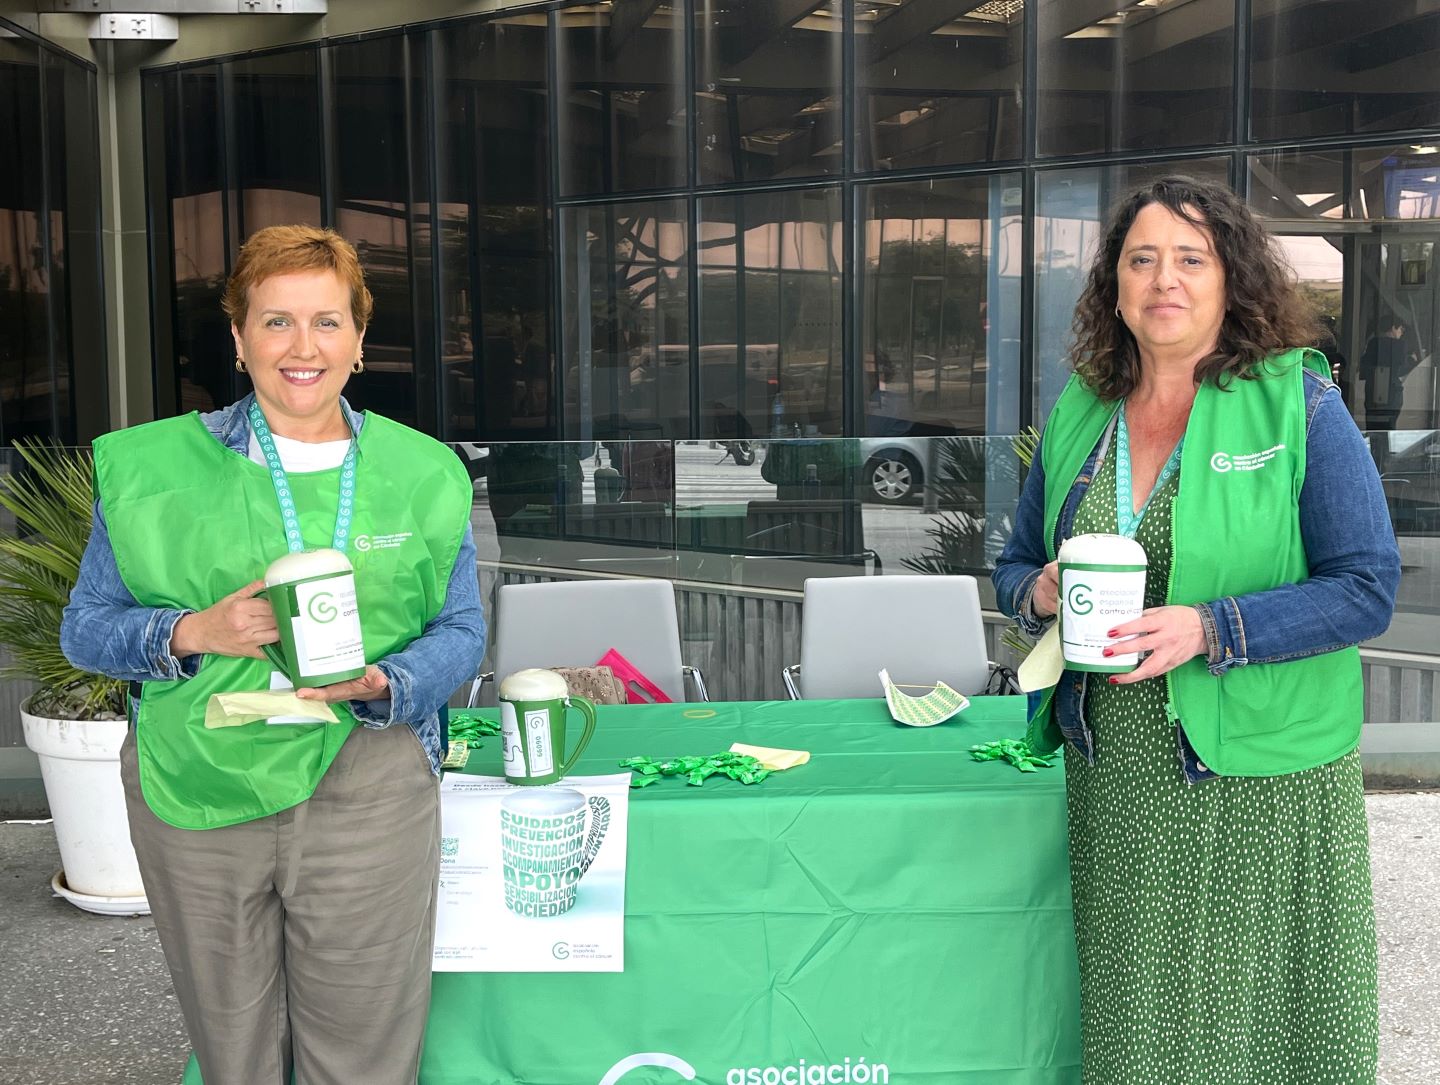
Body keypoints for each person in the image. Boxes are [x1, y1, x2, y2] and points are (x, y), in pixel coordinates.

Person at [993, 177, 1399, 1084]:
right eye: (1142, 259)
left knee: (1266, 1017)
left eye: (1190, 258)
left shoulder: (1298, 401)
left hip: (1262, 768)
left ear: (1231, 279)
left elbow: (1367, 587)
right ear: (1115, 285)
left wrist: (1213, 628)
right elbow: (1013, 562)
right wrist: (1041, 593)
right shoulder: (1081, 410)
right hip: (1119, 774)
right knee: (1142, 1019)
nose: (1163, 279)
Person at [60, 225, 486, 1085]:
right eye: (276, 321)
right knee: (235, 1052)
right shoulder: (153, 469)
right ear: (240, 338)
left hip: (365, 784)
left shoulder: (425, 472)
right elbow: (85, 628)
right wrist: (190, 633)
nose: (303, 347)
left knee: (365, 1054)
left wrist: (385, 683)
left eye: (327, 321)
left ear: (360, 340)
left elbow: (465, 632)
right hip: (199, 783)